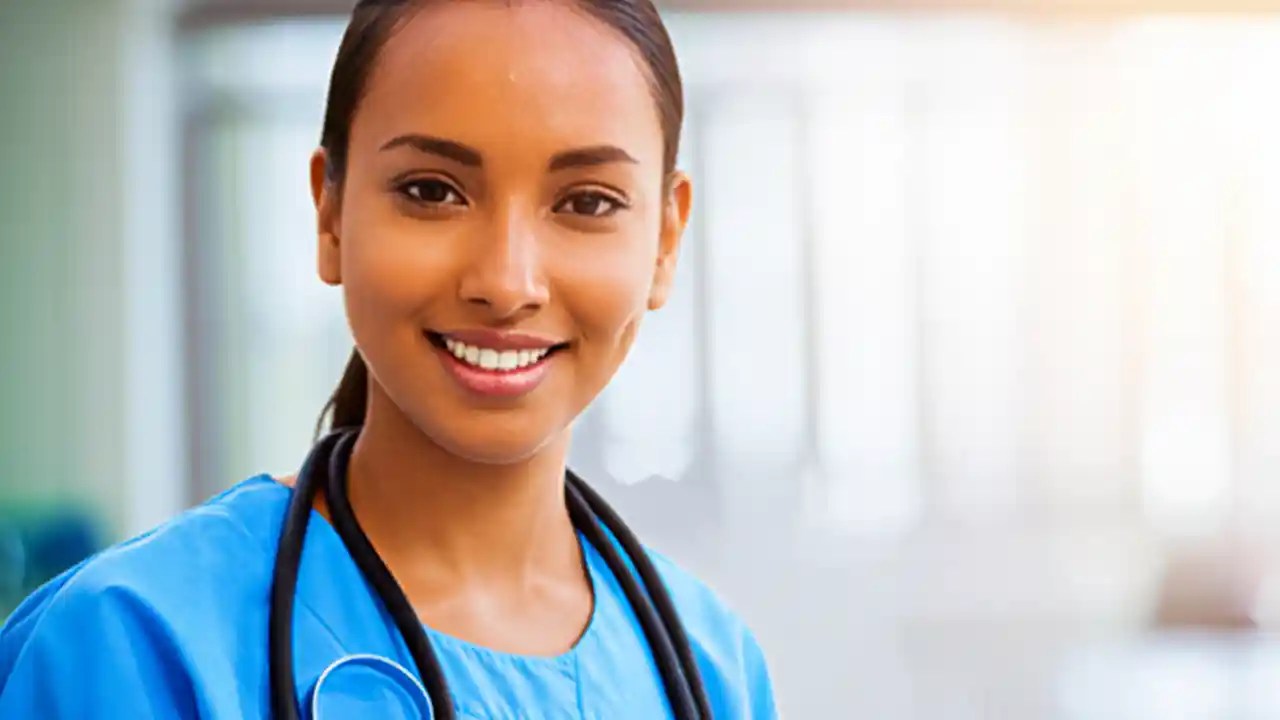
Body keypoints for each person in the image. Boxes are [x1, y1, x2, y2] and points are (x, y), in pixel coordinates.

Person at [0, 0, 778, 718]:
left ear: (667, 241)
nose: (506, 283)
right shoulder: (131, 645)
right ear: (330, 212)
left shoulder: (714, 672)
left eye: (586, 202)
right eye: (432, 191)